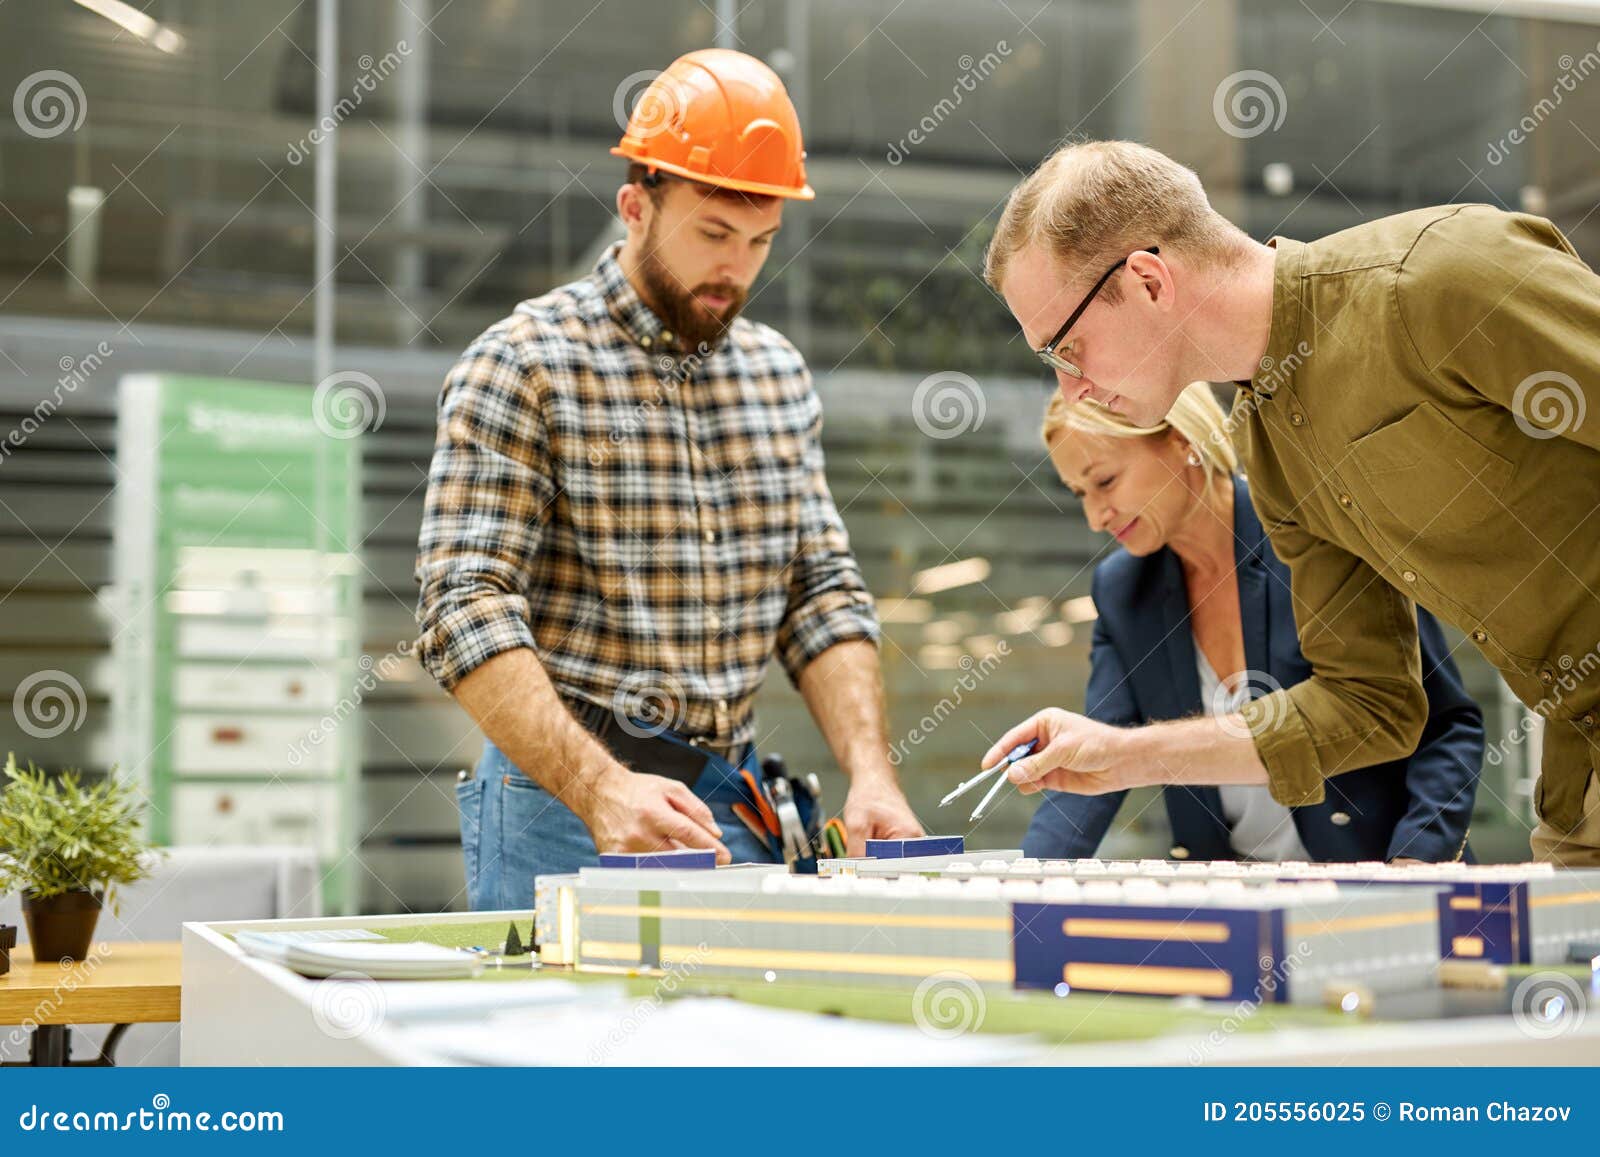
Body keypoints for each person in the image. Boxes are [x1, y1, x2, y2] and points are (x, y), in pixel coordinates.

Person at [981, 138, 1600, 865]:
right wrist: (1127, 756)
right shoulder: (1273, 455)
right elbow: (1369, 703)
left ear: (1148, 280)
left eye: (1066, 348)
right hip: (1579, 776)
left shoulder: (1439, 275)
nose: (1070, 389)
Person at [414, 49, 921, 909]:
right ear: (635, 206)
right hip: (561, 804)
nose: (737, 270)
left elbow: (821, 594)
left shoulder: (778, 377)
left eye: (761, 241)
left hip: (733, 804)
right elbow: (463, 604)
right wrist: (602, 789)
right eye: (714, 234)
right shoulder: (525, 362)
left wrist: (871, 774)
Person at [1022, 384, 1483, 863]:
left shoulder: (1312, 534)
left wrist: (1418, 860)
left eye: (1105, 481)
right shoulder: (1122, 590)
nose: (1095, 517)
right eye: (1079, 494)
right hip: (1244, 904)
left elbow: (1448, 725)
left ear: (1181, 440)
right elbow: (1097, 759)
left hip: (1385, 881)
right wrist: (1012, 891)